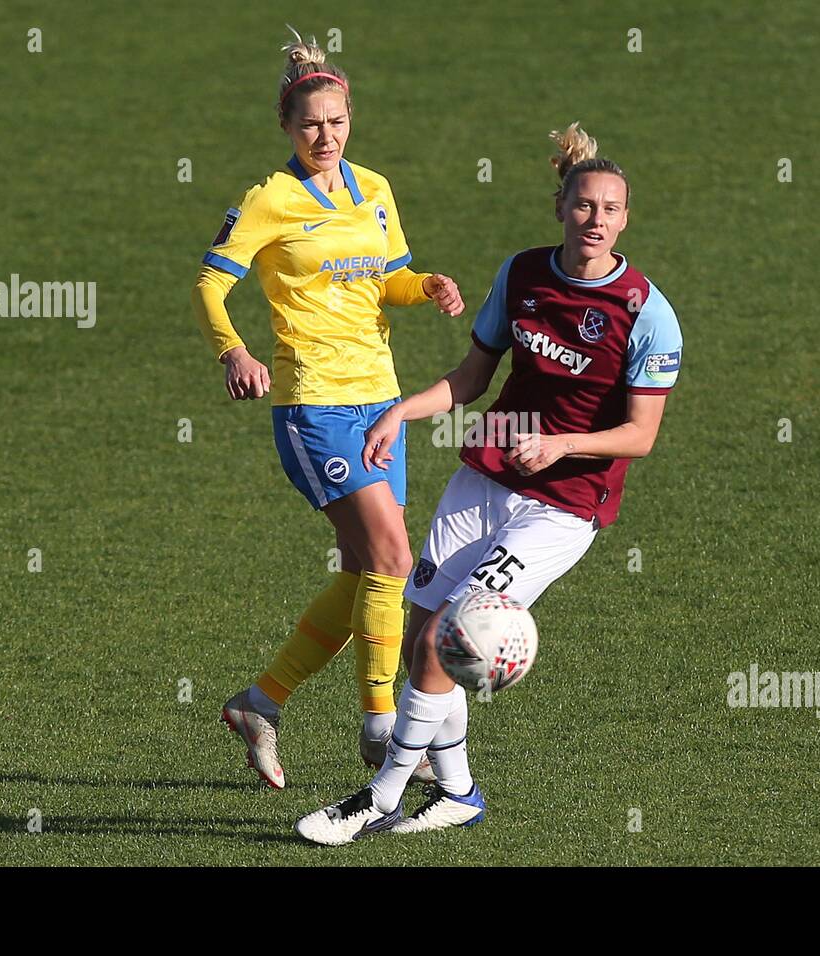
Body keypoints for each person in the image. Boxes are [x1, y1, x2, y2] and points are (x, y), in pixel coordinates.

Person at [295, 122, 683, 844]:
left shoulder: (646, 313)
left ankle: (379, 797)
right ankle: (459, 793)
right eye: (583, 205)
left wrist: (563, 444)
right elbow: (473, 379)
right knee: (423, 635)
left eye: (609, 209)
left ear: (626, 218)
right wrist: (402, 411)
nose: (595, 220)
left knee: (452, 632)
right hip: (487, 474)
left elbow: (642, 435)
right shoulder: (523, 274)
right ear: (560, 206)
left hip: (566, 506)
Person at [191, 29, 464, 789]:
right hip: (313, 403)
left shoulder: (373, 189)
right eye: (311, 124)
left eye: (337, 122)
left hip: (380, 398)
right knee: (394, 560)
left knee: (364, 573)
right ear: (287, 127)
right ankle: (382, 729)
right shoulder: (268, 201)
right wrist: (233, 352)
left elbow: (392, 277)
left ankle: (260, 702)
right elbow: (210, 285)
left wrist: (428, 285)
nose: (326, 136)